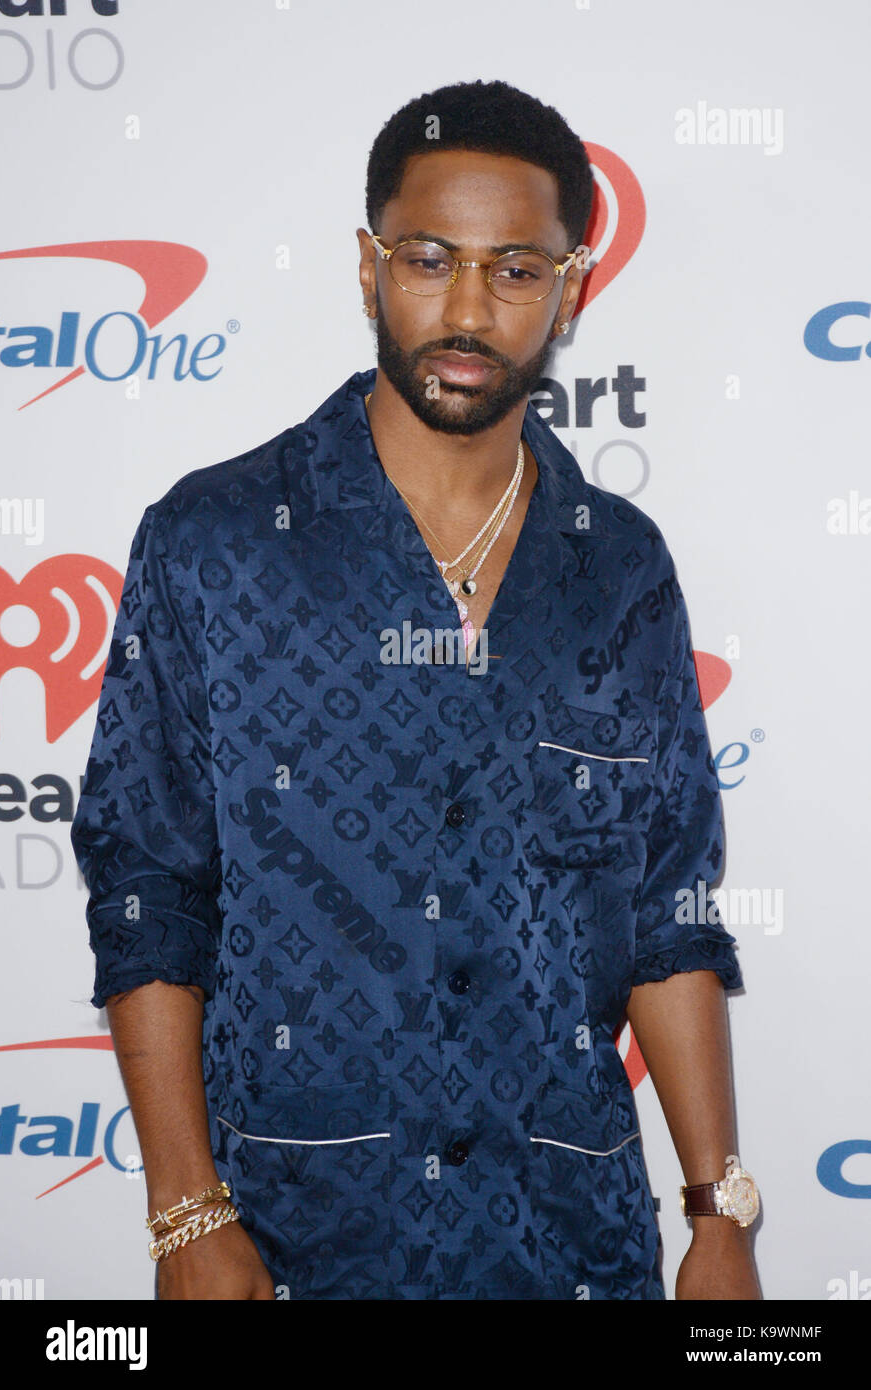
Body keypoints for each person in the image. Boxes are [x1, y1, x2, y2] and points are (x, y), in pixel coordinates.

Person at [71, 78, 761, 1301]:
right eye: (429, 258)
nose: (463, 308)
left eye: (512, 269)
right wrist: (183, 1212)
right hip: (295, 1240)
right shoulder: (215, 540)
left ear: (571, 287)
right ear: (366, 262)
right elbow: (147, 889)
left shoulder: (620, 567)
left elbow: (664, 910)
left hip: (567, 1243)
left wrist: (717, 1213)